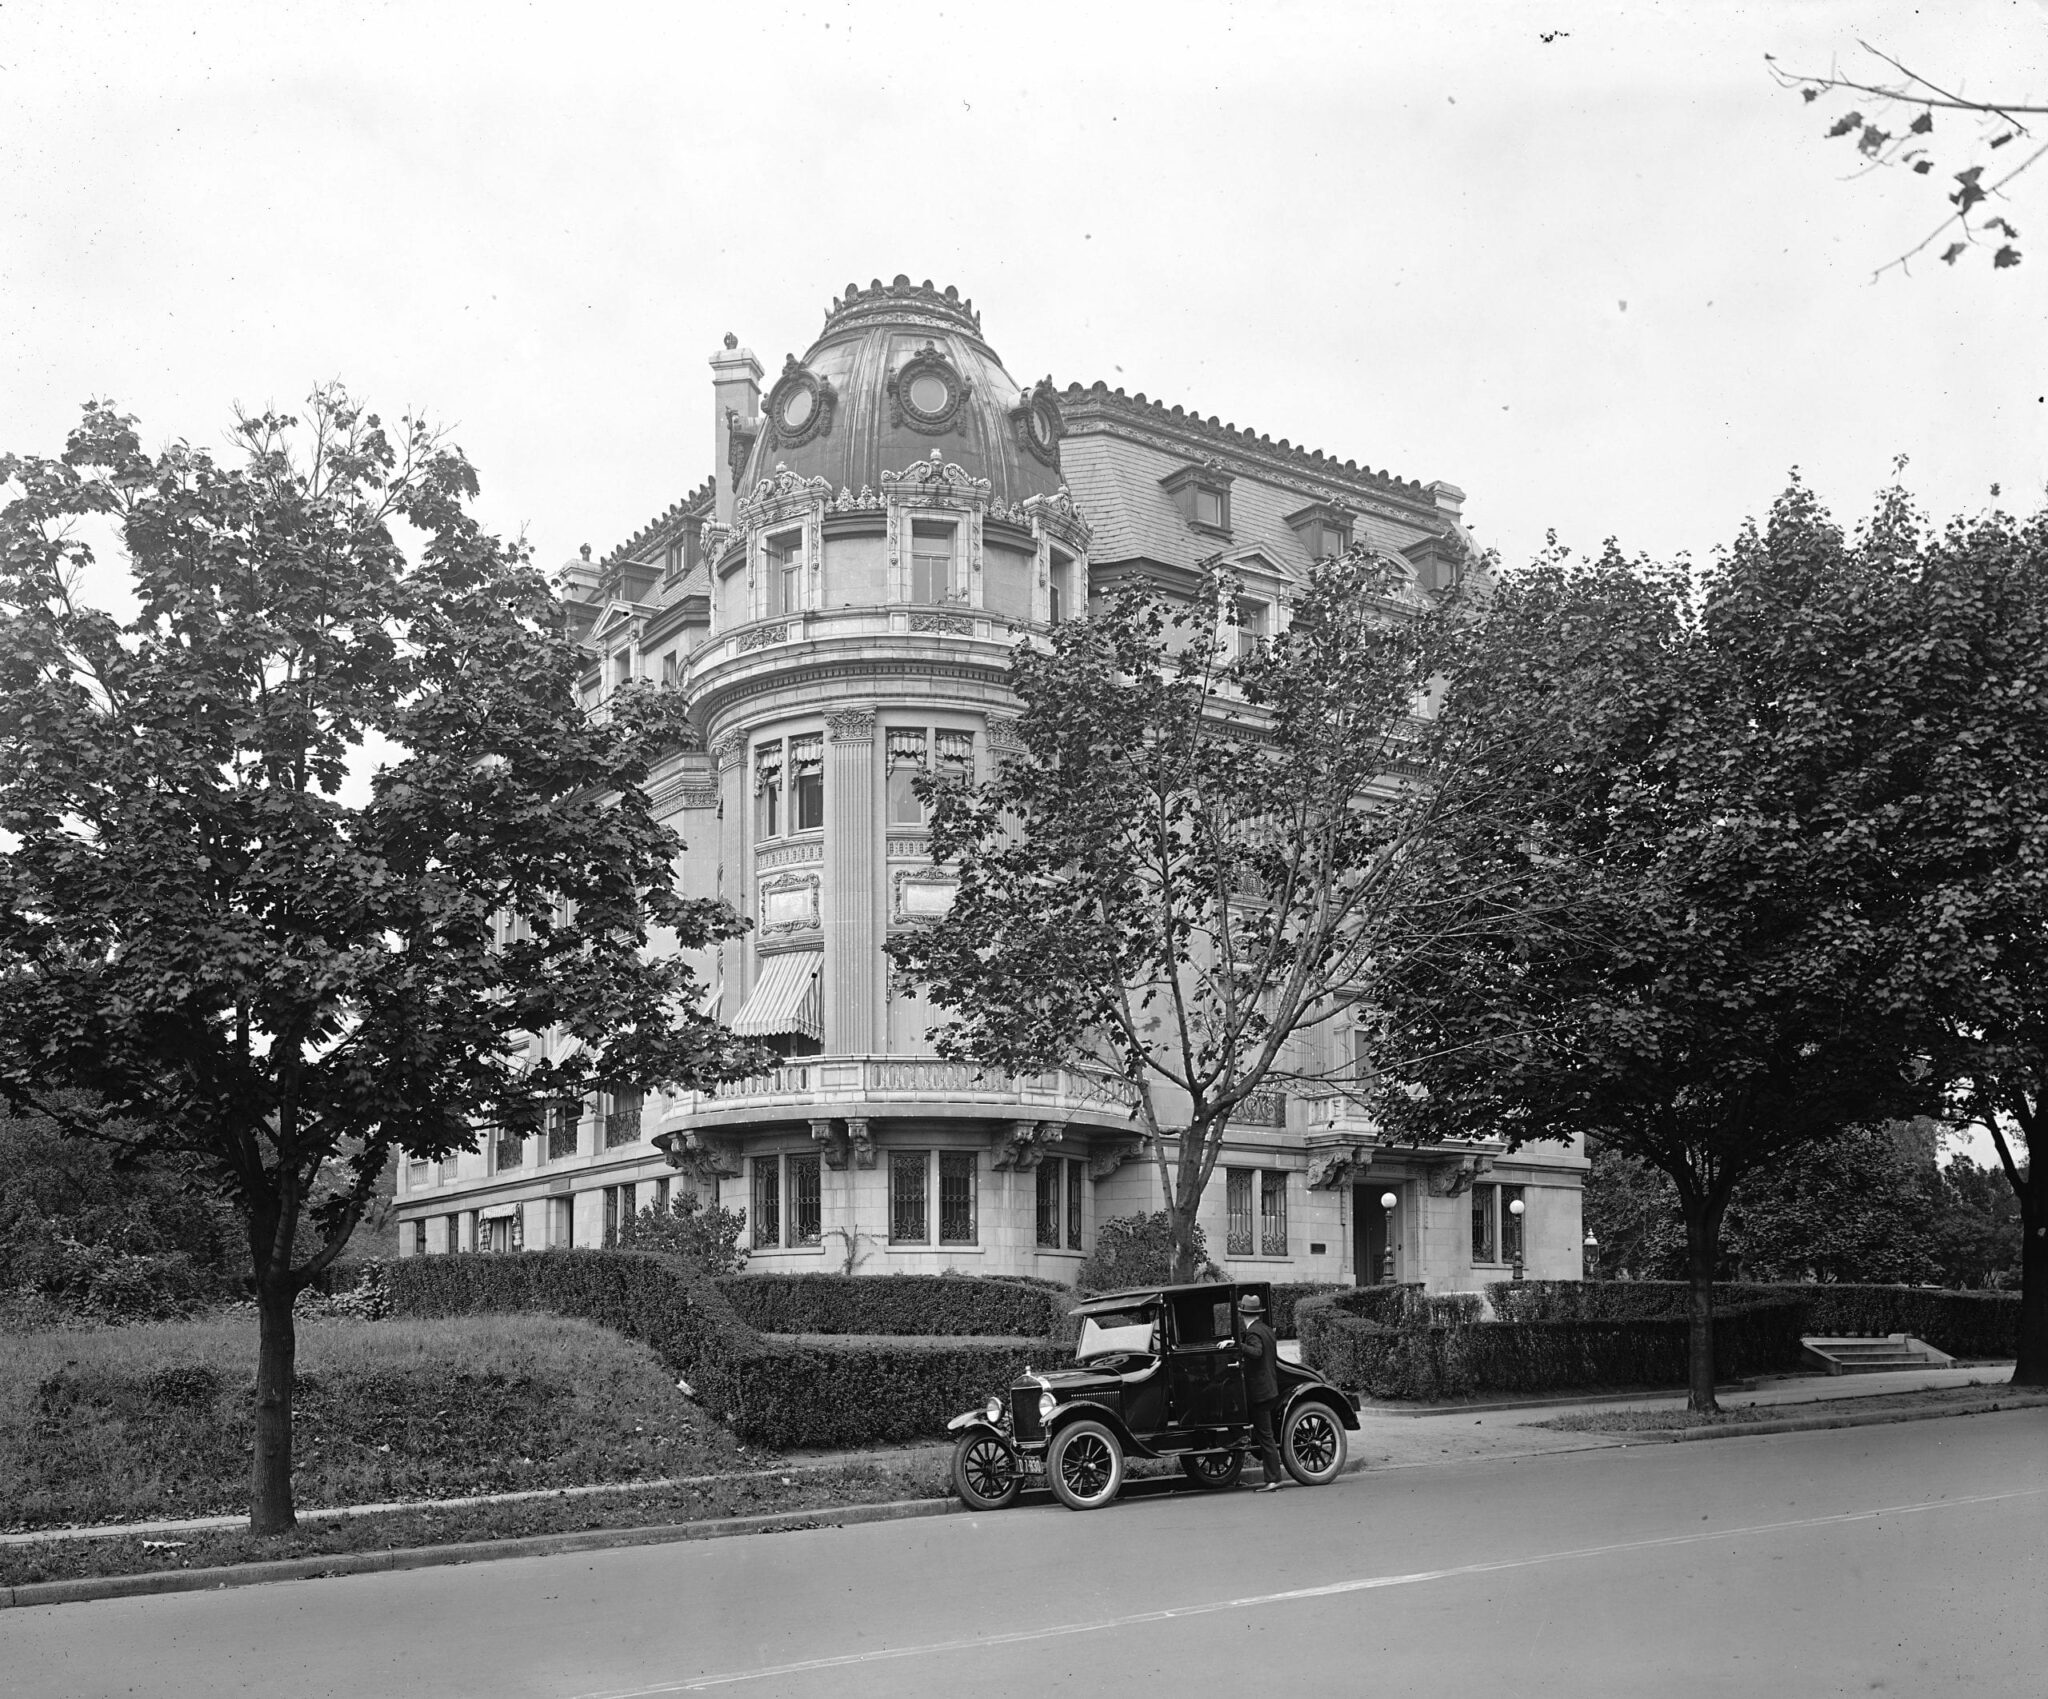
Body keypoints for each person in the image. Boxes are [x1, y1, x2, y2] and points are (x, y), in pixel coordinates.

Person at [1236, 1291, 1285, 1491]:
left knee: (1266, 1436)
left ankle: (1273, 1479)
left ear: (1242, 1314)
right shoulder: (1266, 1329)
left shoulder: (1253, 1333)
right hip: (1269, 1389)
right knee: (1265, 1434)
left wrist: (1237, 1345)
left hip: (1260, 1392)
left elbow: (1257, 1353)